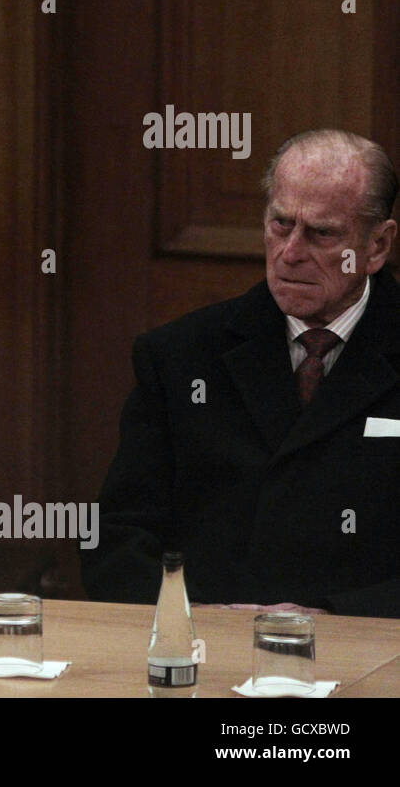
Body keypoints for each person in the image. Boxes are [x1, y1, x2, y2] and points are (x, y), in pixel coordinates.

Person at [83, 129, 400, 618]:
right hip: (210, 651)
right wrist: (193, 617)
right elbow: (118, 537)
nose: (291, 252)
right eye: (280, 225)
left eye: (321, 233)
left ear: (377, 246)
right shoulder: (179, 355)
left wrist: (336, 617)